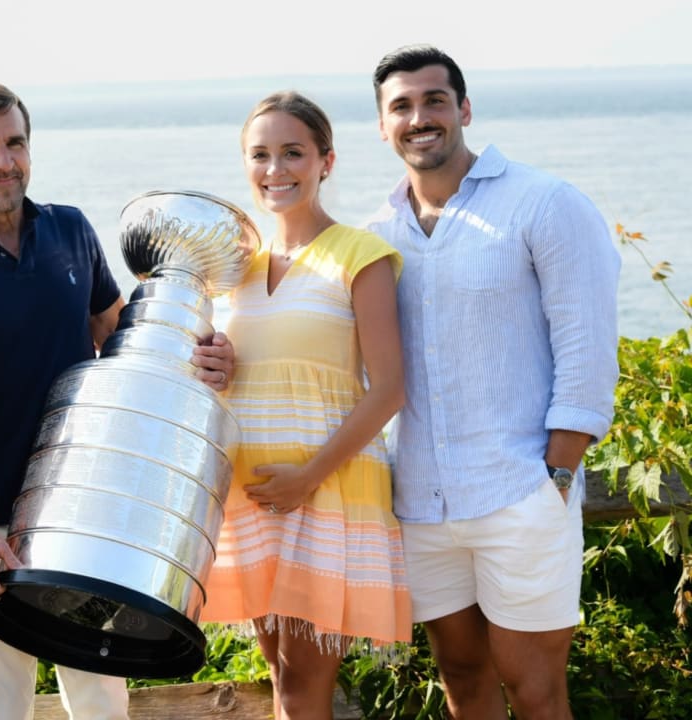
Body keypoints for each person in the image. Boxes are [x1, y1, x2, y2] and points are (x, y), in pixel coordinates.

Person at [0, 80, 233, 720]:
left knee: (101, 694)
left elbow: (121, 340)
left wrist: (207, 354)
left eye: (15, 143)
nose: (3, 161)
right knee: (0, 701)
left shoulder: (71, 231)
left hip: (83, 520)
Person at [365, 45, 620, 719]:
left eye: (434, 101)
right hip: (421, 503)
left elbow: (587, 352)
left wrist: (555, 480)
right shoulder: (378, 232)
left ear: (464, 109)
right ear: (382, 124)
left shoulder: (544, 203)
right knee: (461, 682)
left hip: (520, 496)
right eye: (401, 106)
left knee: (535, 694)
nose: (419, 117)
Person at [201, 91, 412, 719]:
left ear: (326, 161)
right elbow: (235, 377)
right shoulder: (234, 271)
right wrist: (218, 367)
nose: (276, 169)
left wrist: (308, 478)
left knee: (301, 689)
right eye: (261, 154)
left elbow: (390, 388)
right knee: (278, 678)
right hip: (250, 497)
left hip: (326, 495)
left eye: (293, 152)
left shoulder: (360, 255)